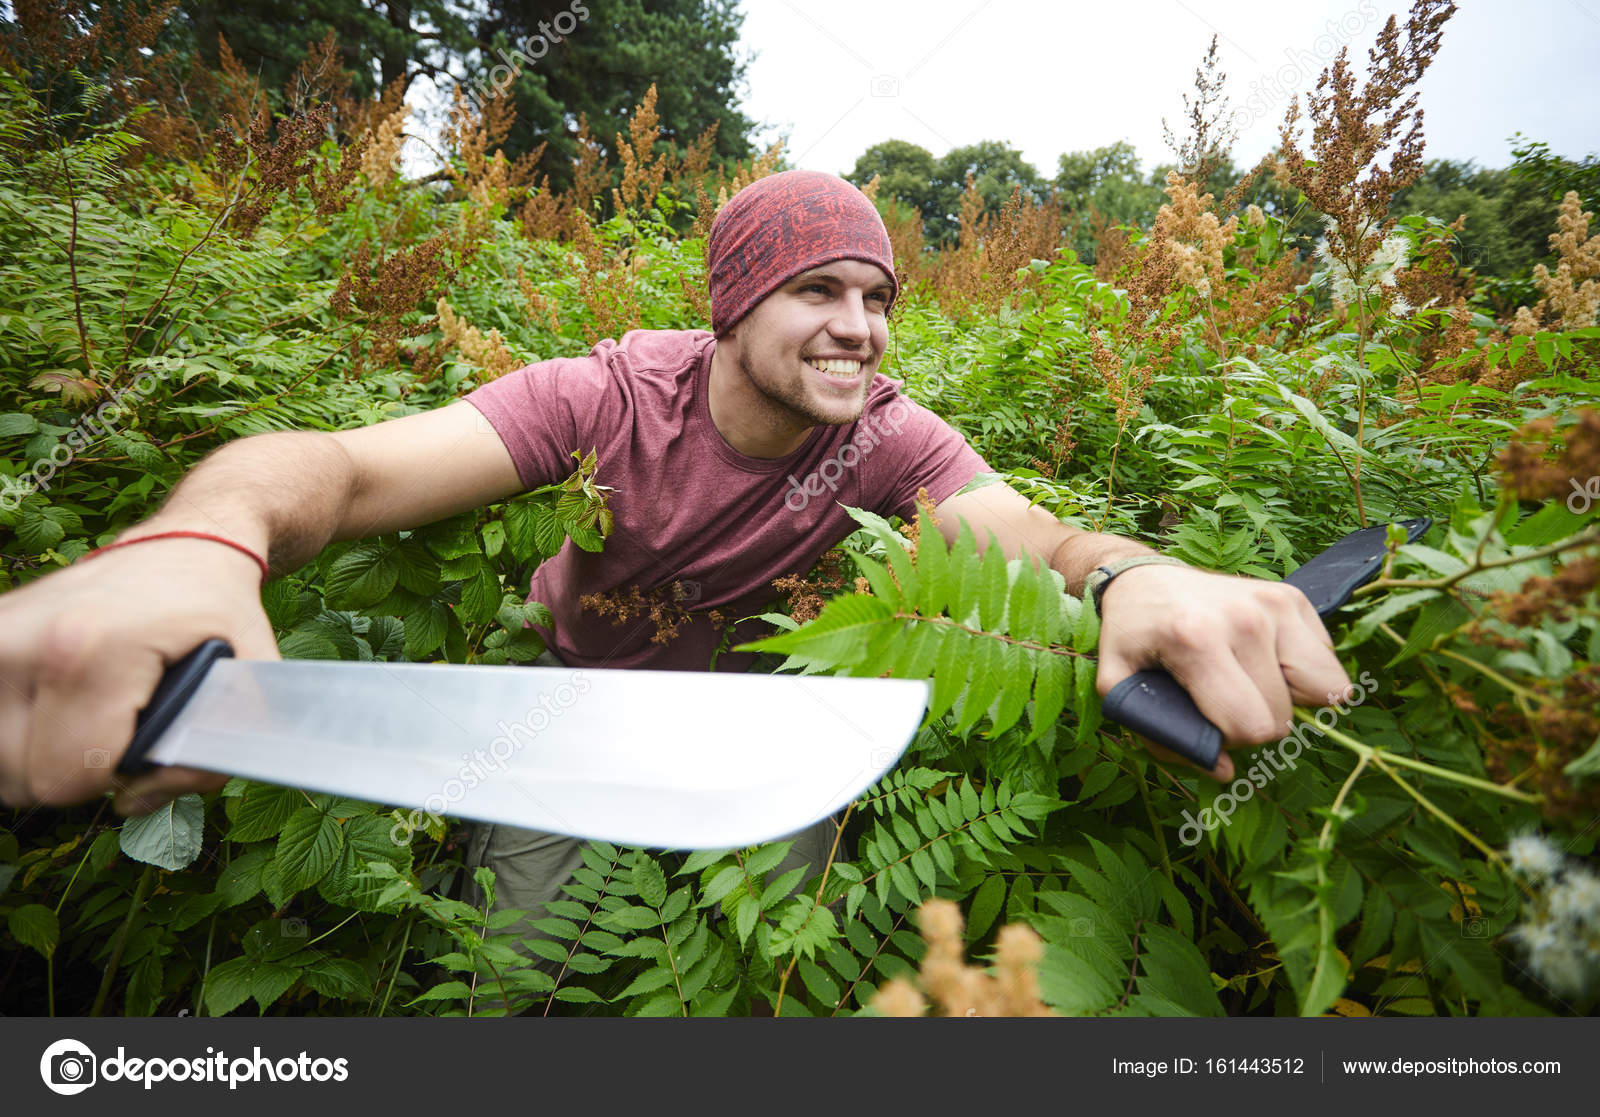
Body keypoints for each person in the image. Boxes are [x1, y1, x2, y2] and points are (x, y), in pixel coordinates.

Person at [0, 170, 1353, 931]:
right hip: (565, 712)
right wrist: (200, 535)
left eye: (878, 297)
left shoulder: (889, 435)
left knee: (773, 954)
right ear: (732, 306)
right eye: (819, 289)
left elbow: (1036, 535)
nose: (860, 326)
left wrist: (1139, 576)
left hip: (765, 737)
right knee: (511, 962)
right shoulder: (599, 398)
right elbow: (345, 470)